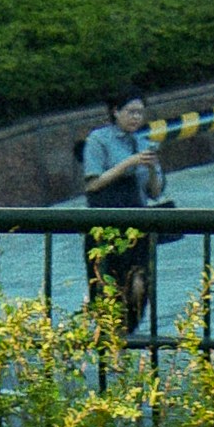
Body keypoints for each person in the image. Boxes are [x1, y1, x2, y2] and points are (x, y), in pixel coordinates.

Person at [80, 86, 165, 339]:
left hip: (137, 223)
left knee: (139, 283)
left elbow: (155, 191)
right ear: (115, 112)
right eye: (130, 112)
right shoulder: (99, 140)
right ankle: (109, 332)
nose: (136, 118)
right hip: (106, 223)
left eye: (140, 112)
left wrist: (149, 167)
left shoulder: (144, 142)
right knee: (106, 283)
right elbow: (92, 183)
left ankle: (128, 330)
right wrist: (129, 163)